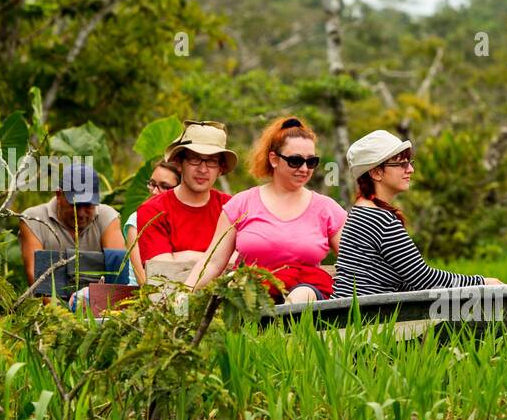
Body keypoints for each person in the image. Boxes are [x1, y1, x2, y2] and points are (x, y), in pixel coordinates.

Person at [186, 116, 346, 303]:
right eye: (295, 161)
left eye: (311, 162)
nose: (304, 168)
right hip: (251, 295)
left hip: (304, 296)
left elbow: (354, 261)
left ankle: (283, 328)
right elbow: (213, 262)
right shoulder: (242, 203)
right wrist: (184, 294)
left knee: (300, 297)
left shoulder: (327, 208)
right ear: (274, 159)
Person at [332, 130, 501, 297]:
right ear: (376, 173)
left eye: (409, 162)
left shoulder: (361, 212)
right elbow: (424, 279)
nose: (410, 169)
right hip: (365, 317)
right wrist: (482, 283)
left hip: (352, 314)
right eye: (401, 164)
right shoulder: (379, 219)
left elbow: (407, 279)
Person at [137, 120, 235, 274]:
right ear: (178, 163)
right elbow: (161, 269)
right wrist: (218, 260)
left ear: (221, 168)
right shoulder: (152, 210)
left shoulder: (232, 207)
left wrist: (180, 257)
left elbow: (243, 261)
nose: (203, 169)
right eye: (194, 158)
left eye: (211, 161)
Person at [18, 163, 123, 286]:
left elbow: (118, 272)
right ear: (58, 194)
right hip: (49, 302)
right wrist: (59, 305)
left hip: (99, 302)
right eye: (75, 205)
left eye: (88, 205)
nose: (81, 213)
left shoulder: (108, 217)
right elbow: (35, 276)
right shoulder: (33, 219)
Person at [124, 159, 181, 286]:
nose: (155, 191)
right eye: (152, 184)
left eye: (164, 186)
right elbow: (143, 281)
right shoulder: (137, 219)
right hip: (142, 296)